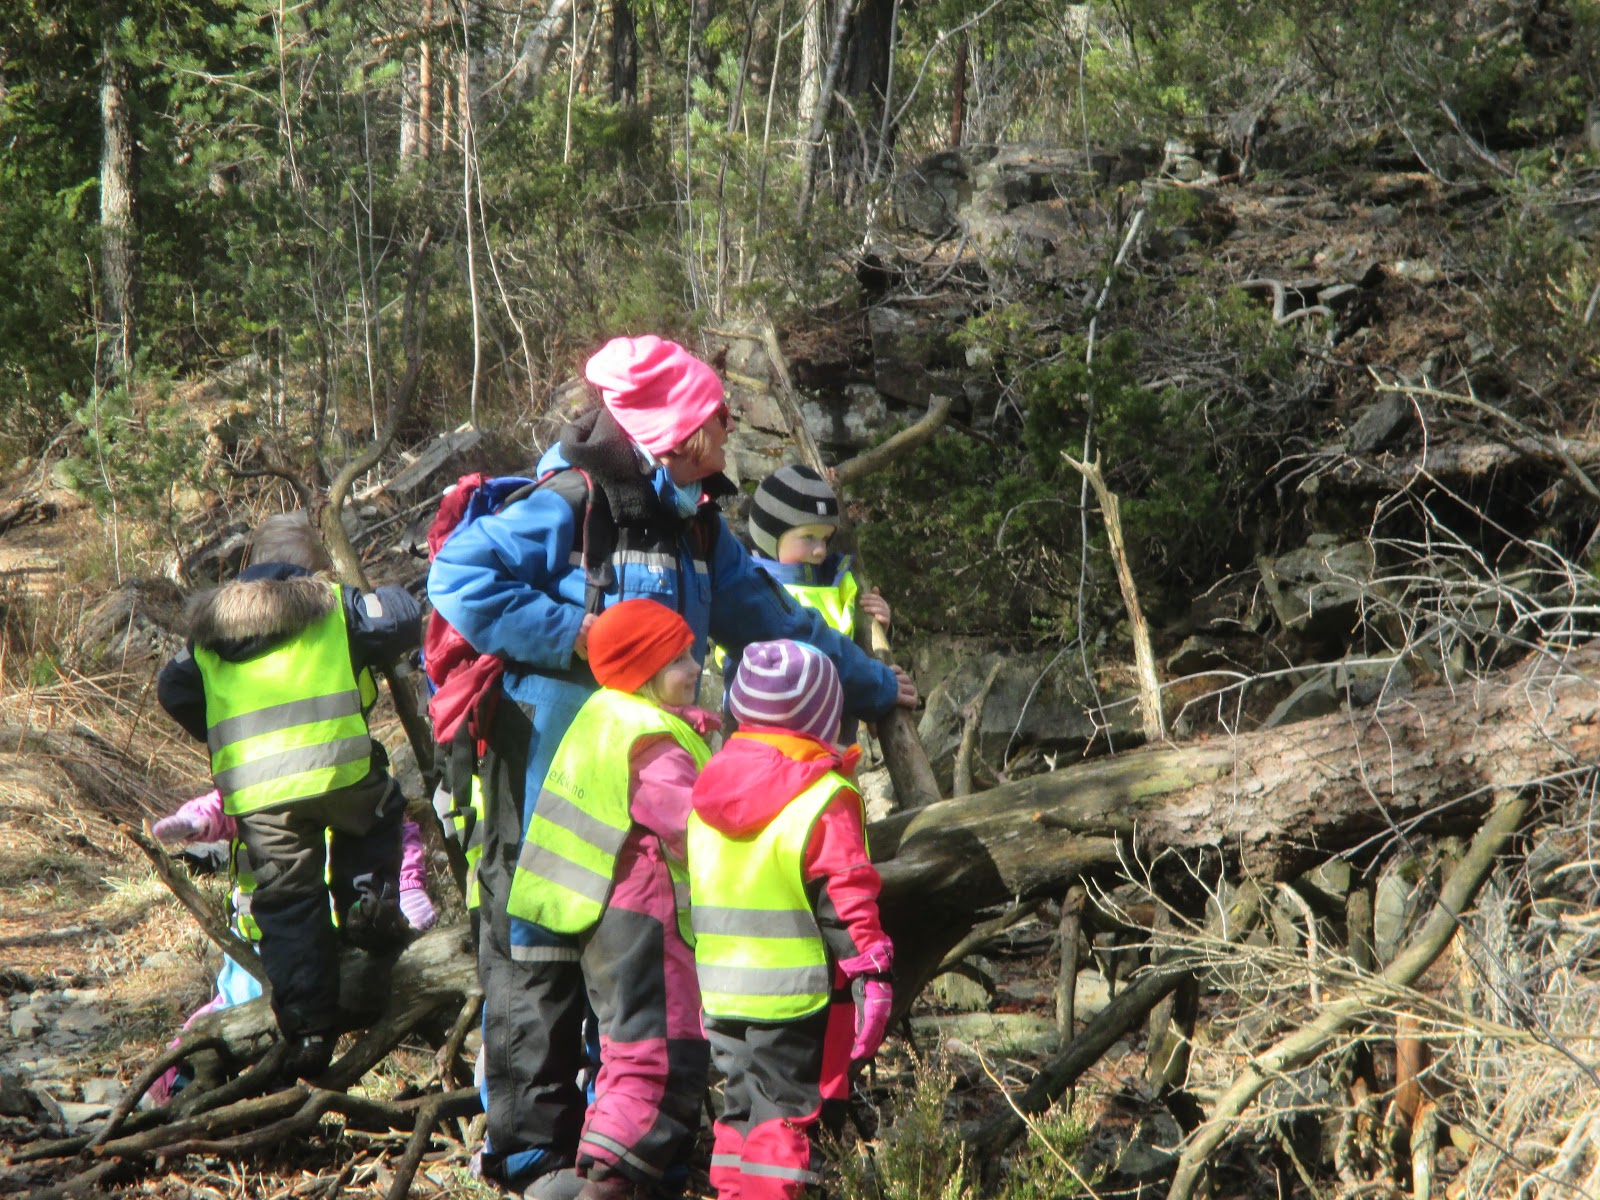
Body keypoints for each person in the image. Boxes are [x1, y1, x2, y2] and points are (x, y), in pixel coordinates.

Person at [426, 334, 917, 1194]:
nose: (729, 435)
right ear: (682, 432)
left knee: (634, 993)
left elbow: (775, 623)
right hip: (540, 788)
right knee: (532, 967)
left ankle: (612, 1158)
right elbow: (461, 576)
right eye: (718, 421)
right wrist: (582, 639)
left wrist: (873, 684)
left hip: (643, 823)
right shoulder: (574, 501)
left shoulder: (697, 524)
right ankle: (530, 1159)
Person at [157, 512, 422, 1079]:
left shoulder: (208, 629)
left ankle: (307, 1030)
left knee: (286, 899)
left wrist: (226, 728)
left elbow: (172, 688)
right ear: (314, 565)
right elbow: (400, 617)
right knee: (374, 821)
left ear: (249, 568)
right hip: (339, 771)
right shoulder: (331, 604)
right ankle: (364, 906)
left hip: (258, 792)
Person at [504, 598, 716, 1200]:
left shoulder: (606, 714)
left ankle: (590, 1173)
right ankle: (612, 1182)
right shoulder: (647, 738)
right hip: (651, 921)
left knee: (626, 1052)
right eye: (678, 658)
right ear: (642, 670)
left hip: (606, 918)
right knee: (664, 1055)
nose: (695, 665)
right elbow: (696, 826)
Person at [686, 639, 894, 1200]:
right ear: (822, 717)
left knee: (739, 1107)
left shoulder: (708, 788)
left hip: (721, 989)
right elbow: (845, 893)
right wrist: (873, 971)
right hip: (789, 995)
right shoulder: (823, 794)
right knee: (784, 1114)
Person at [146, 790, 438, 1104]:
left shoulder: (346, 789)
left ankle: (277, 1093)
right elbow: (225, 803)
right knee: (231, 1009)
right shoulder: (263, 786)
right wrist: (196, 820)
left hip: (336, 945)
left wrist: (407, 890)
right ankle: (174, 1081)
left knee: (302, 1031)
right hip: (260, 943)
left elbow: (392, 829)